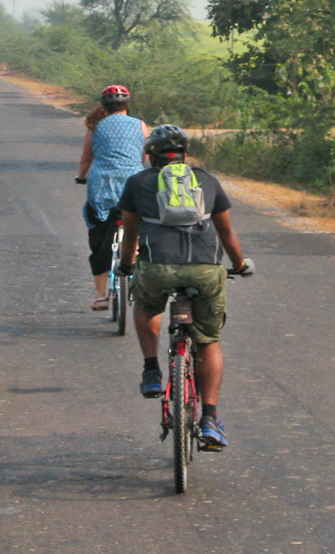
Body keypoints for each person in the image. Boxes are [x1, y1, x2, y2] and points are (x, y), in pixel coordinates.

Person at [117, 124, 250, 449]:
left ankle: (151, 370)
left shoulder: (138, 183)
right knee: (208, 342)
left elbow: (131, 234)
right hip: (204, 270)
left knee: (146, 306)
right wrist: (240, 265)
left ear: (149, 156)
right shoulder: (207, 180)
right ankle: (210, 419)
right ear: (185, 155)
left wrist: (127, 265)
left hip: (156, 268)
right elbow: (226, 233)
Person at [75, 85, 148, 310]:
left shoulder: (95, 127)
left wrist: (81, 177)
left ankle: (99, 295)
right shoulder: (140, 125)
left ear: (104, 105)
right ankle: (135, 261)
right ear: (127, 104)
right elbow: (144, 154)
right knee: (139, 228)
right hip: (133, 184)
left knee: (100, 240)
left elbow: (86, 160)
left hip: (102, 187)